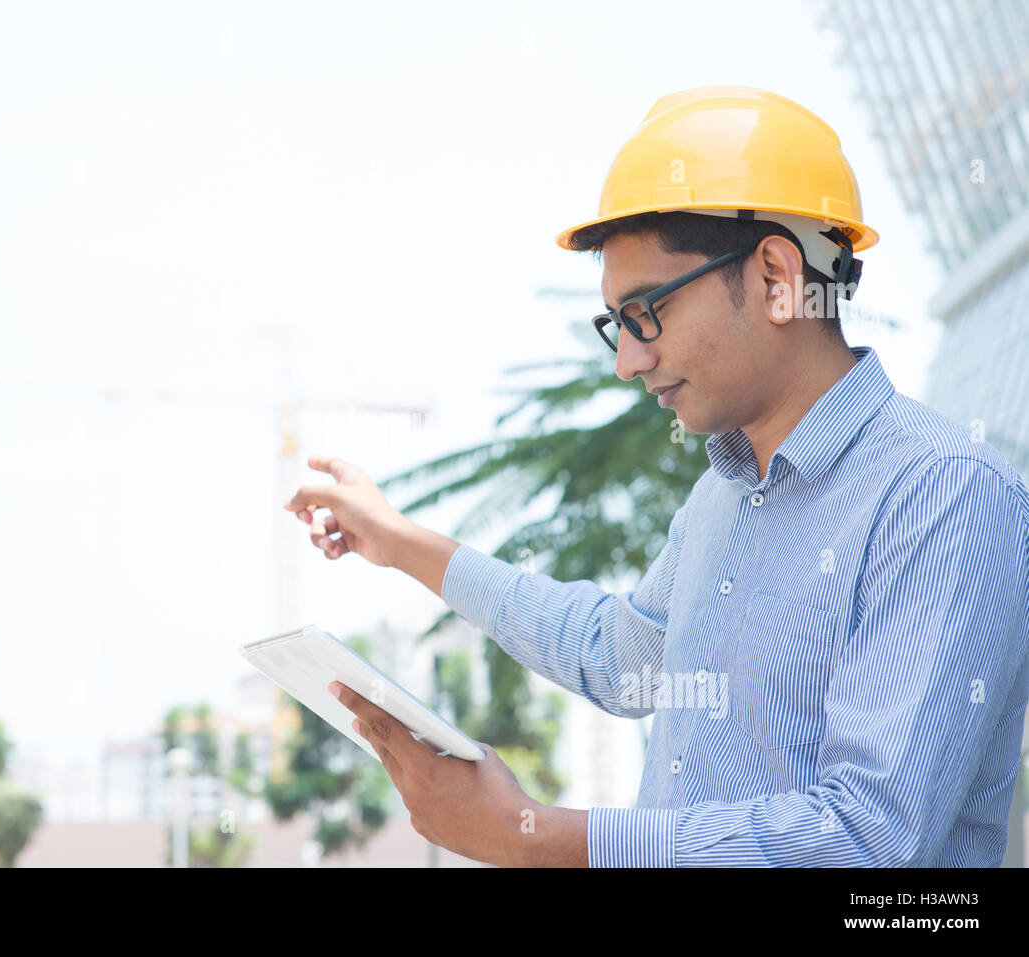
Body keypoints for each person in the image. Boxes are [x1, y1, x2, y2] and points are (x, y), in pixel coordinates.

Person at [283, 86, 1029, 867]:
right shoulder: (722, 496)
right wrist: (400, 542)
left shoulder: (945, 495)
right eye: (617, 324)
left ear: (777, 275)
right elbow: (625, 658)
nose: (627, 360)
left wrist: (534, 838)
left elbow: (870, 840)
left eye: (647, 312)